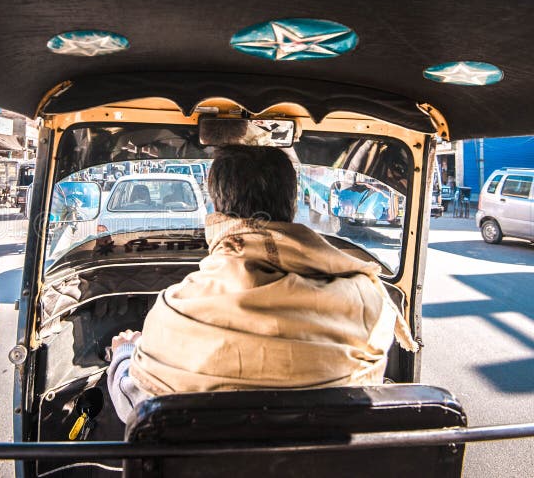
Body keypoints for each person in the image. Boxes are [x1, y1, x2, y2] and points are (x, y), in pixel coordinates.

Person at [107, 146, 418, 422]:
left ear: (216, 211)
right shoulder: (369, 303)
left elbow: (137, 409)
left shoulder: (174, 311)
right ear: (293, 208)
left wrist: (124, 353)